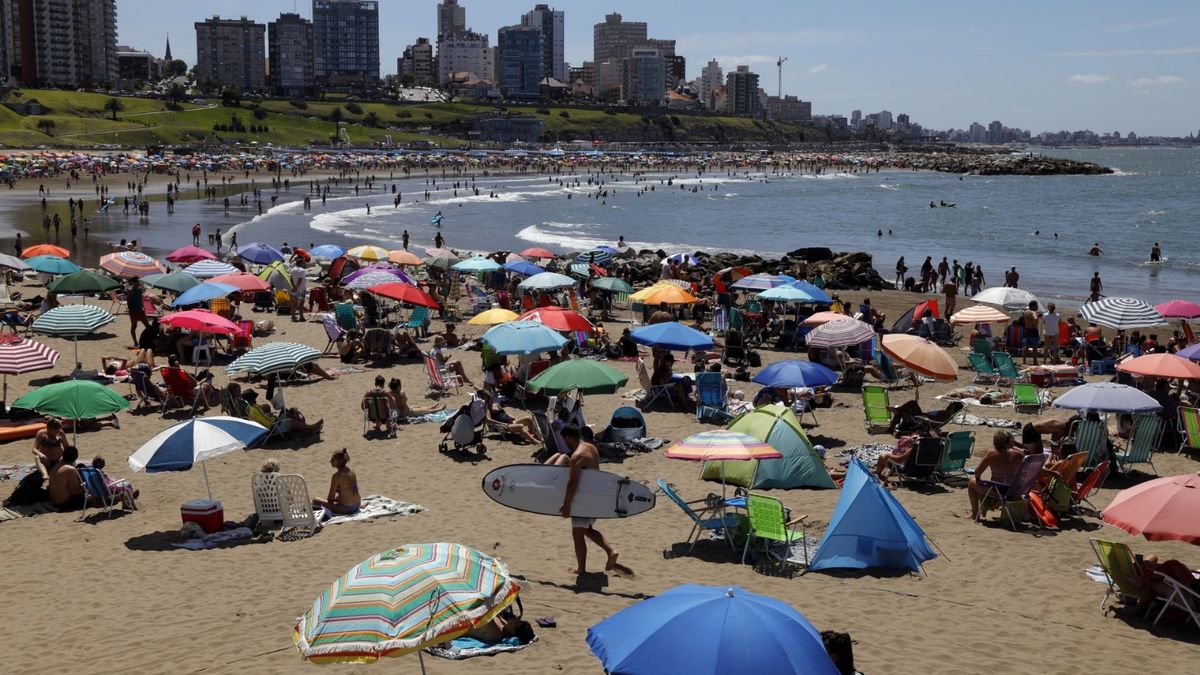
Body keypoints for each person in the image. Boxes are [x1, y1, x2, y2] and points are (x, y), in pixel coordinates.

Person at [557, 424, 621, 575]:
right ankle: (611, 552)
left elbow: (572, 483)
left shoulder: (577, 456)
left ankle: (581, 569)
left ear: (568, 437)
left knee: (577, 535)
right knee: (587, 530)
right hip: (594, 496)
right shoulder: (591, 447)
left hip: (584, 500)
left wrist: (566, 505)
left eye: (564, 439)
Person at [967, 430, 1026, 520]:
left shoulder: (992, 454)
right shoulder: (1018, 455)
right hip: (1015, 491)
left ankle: (975, 514)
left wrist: (979, 480)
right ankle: (992, 506)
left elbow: (977, 473)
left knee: (972, 482)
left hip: (997, 492)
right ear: (1009, 442)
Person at [312, 449, 361, 516]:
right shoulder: (352, 471)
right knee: (337, 497)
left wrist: (334, 499)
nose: (330, 461)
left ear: (340, 461)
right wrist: (339, 498)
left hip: (349, 509)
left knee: (315, 500)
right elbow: (351, 490)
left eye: (333, 460)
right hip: (358, 504)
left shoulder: (337, 476)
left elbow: (330, 499)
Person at [40, 445, 84, 512]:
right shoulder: (70, 469)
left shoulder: (57, 465)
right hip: (64, 504)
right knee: (90, 494)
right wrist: (84, 488)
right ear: (76, 457)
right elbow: (74, 491)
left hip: (54, 502)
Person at [886, 400, 965, 435]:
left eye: (951, 404)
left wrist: (923, 418)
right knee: (904, 410)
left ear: (953, 408)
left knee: (912, 403)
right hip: (922, 416)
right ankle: (891, 426)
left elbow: (931, 420)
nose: (949, 404)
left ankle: (896, 413)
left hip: (921, 419)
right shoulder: (946, 413)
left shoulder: (947, 414)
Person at [1021, 301, 1041, 365]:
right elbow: (1036, 319)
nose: (1037, 307)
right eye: (1036, 305)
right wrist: (1034, 325)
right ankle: (1035, 361)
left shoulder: (1026, 312)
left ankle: (1024, 360)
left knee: (1026, 346)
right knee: (1034, 347)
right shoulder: (1033, 312)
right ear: (1033, 306)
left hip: (1027, 330)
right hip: (1033, 330)